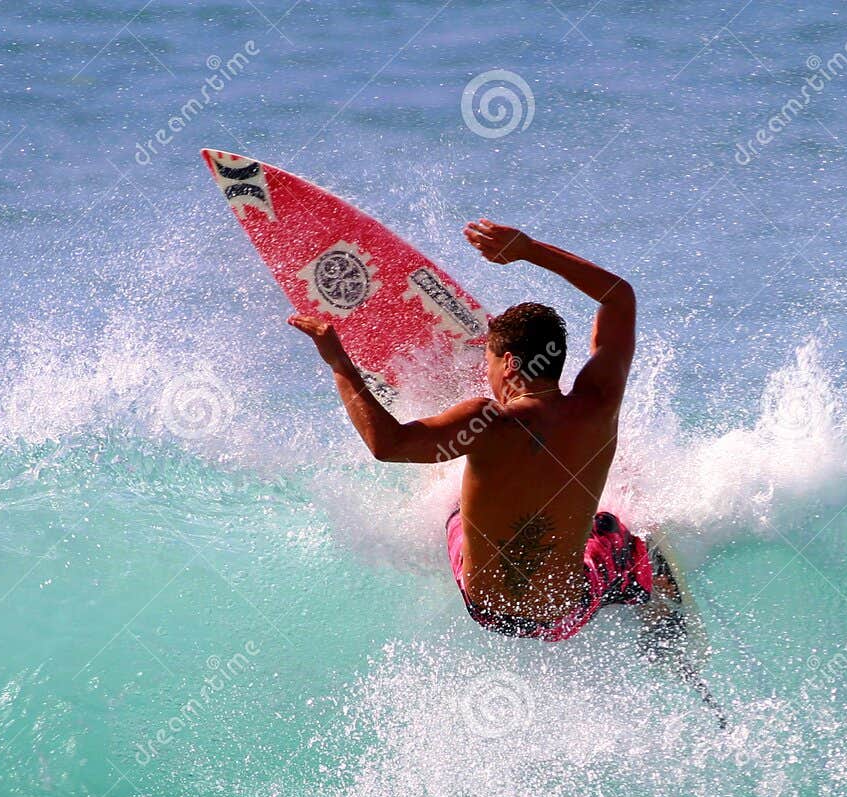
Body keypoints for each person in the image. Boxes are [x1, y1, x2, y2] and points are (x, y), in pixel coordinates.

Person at [289, 219, 697, 662]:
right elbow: (619, 296)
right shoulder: (599, 404)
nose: (486, 373)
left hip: (489, 609)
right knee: (619, 533)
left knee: (456, 510)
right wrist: (528, 250)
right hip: (570, 610)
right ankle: (663, 624)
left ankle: (454, 492)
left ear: (509, 364)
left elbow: (387, 445)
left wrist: (339, 363)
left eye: (488, 361)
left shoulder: (485, 421)